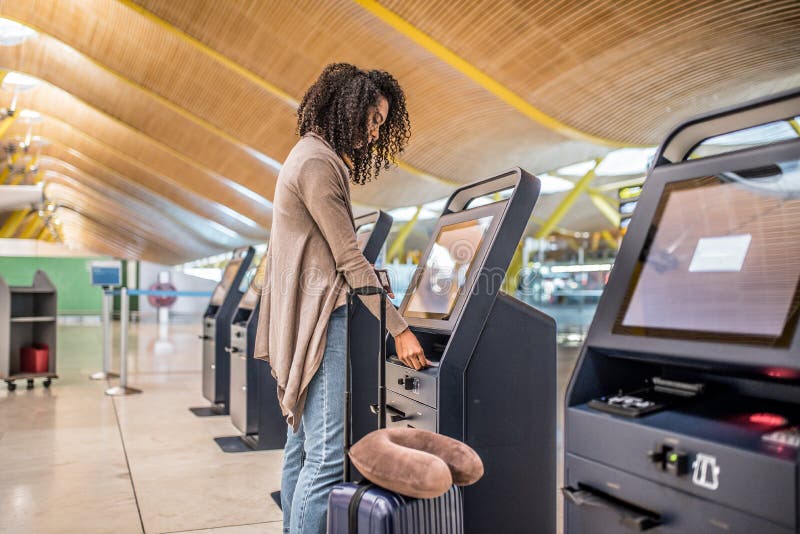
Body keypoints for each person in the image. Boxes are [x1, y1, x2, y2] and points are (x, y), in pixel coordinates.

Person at [254, 63, 430, 534]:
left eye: (380, 125)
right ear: (347, 109)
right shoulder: (318, 165)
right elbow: (351, 261)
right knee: (328, 458)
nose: (374, 134)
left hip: (301, 318)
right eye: (372, 121)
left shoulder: (307, 155)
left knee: (302, 447)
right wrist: (401, 329)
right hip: (320, 322)